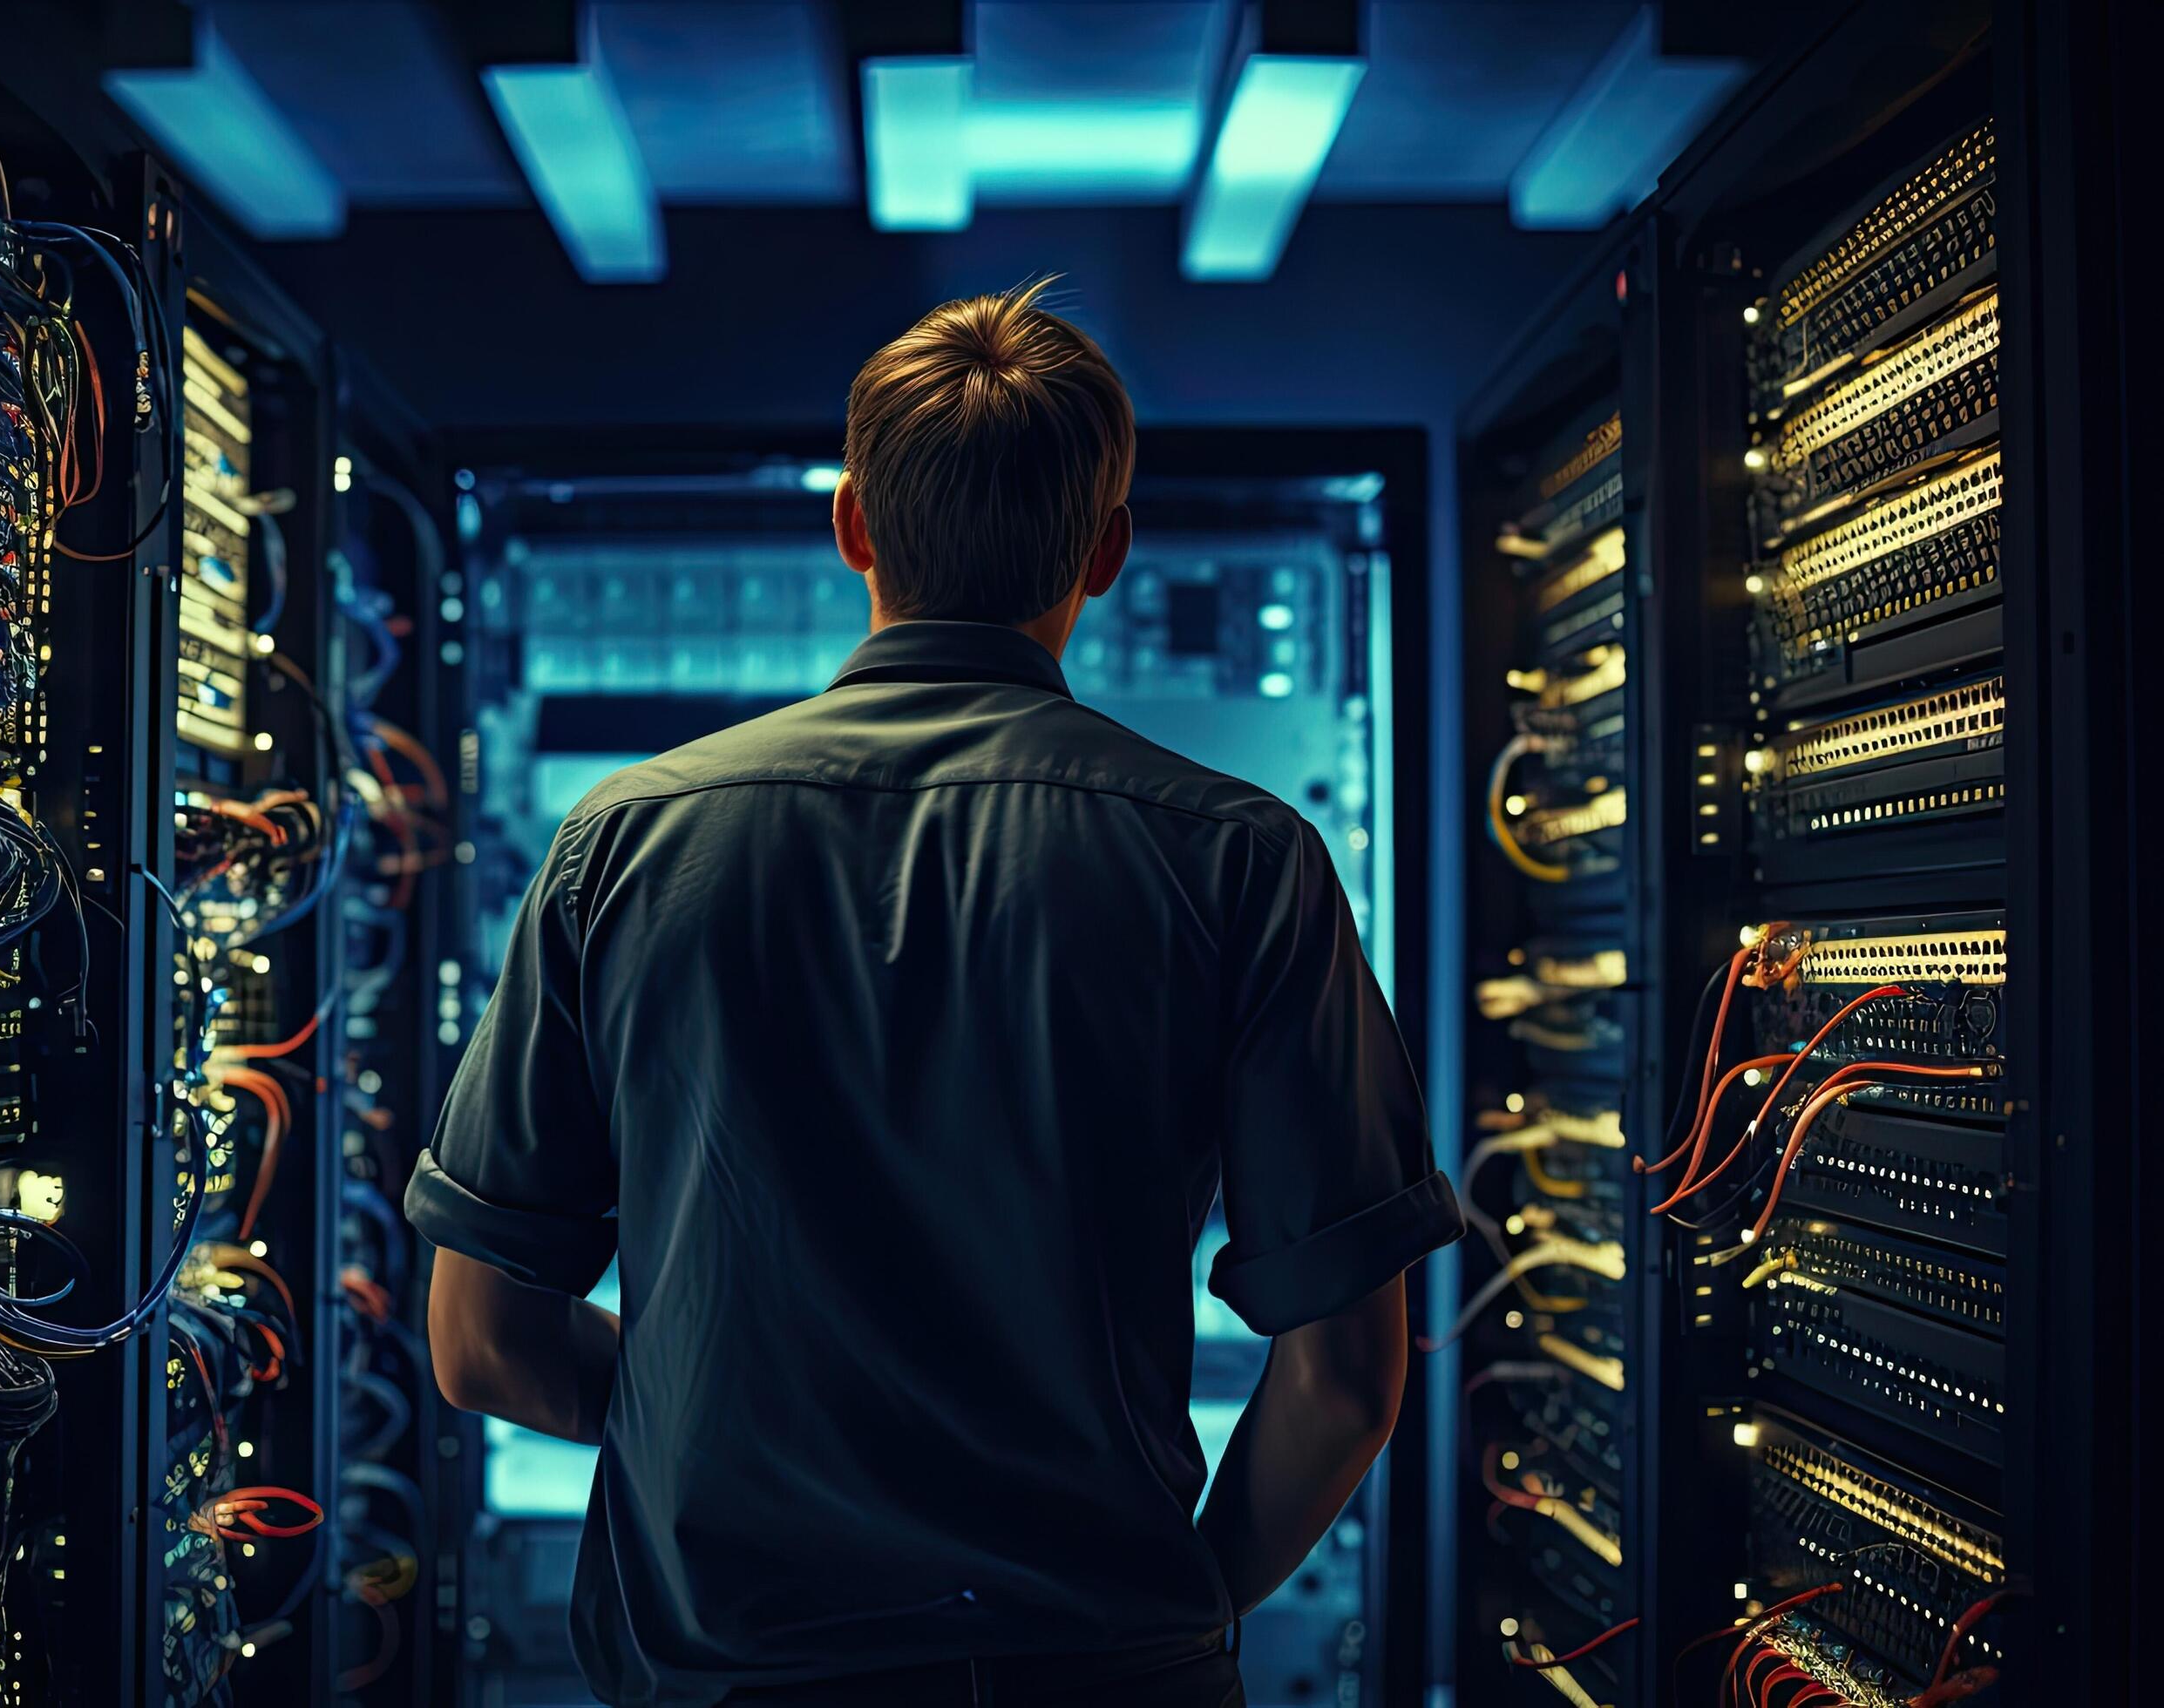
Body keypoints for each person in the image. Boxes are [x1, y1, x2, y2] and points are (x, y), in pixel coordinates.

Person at [406, 279, 1461, 1708]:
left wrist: (722, 1438)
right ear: (1107, 552)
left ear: (851, 527)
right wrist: (1168, 1612)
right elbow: (1346, 1382)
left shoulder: (623, 845)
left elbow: (481, 1344)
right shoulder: (1243, 859)